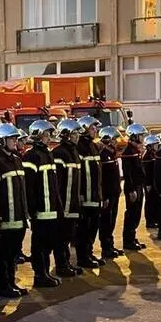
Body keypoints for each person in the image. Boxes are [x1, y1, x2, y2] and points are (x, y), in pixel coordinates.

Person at [22, 120, 63, 288]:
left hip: (51, 208)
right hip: (40, 210)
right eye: (46, 135)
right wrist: (32, 210)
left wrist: (58, 206)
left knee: (48, 243)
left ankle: (45, 272)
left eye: (49, 135)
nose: (48, 138)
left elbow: (54, 184)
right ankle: (39, 274)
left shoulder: (48, 154)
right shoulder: (31, 156)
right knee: (39, 244)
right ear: (37, 136)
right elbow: (29, 186)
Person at [0, 123, 29, 298]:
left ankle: (11, 282)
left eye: (15, 138)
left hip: (19, 217)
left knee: (13, 253)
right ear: (1, 141)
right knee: (2, 254)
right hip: (6, 218)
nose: (15, 141)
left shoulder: (17, 160)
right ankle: (3, 286)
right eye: (11, 138)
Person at [52, 119, 84, 276]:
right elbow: (58, 183)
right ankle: (61, 265)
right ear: (65, 135)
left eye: (77, 133)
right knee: (61, 236)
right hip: (64, 203)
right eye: (74, 134)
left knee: (69, 234)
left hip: (73, 202)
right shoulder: (59, 153)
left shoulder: (74, 152)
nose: (77, 136)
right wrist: (59, 204)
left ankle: (67, 263)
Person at [75, 115, 104, 268]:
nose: (95, 131)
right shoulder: (80, 147)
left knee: (93, 227)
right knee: (84, 229)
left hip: (95, 195)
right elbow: (79, 173)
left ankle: (89, 253)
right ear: (85, 129)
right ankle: (82, 257)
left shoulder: (92, 146)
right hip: (85, 197)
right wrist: (80, 193)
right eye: (92, 128)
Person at [119, 124, 147, 252]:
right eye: (141, 135)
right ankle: (128, 240)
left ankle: (132, 237)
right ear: (135, 136)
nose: (143, 138)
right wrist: (131, 190)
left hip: (138, 185)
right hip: (133, 187)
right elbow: (128, 173)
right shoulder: (128, 151)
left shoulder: (135, 150)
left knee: (136, 213)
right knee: (131, 213)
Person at [98, 125, 124, 257]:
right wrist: (104, 196)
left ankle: (110, 245)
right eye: (114, 139)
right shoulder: (103, 155)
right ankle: (106, 247)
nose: (116, 142)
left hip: (114, 193)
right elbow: (102, 178)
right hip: (108, 195)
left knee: (112, 221)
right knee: (106, 222)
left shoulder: (111, 154)